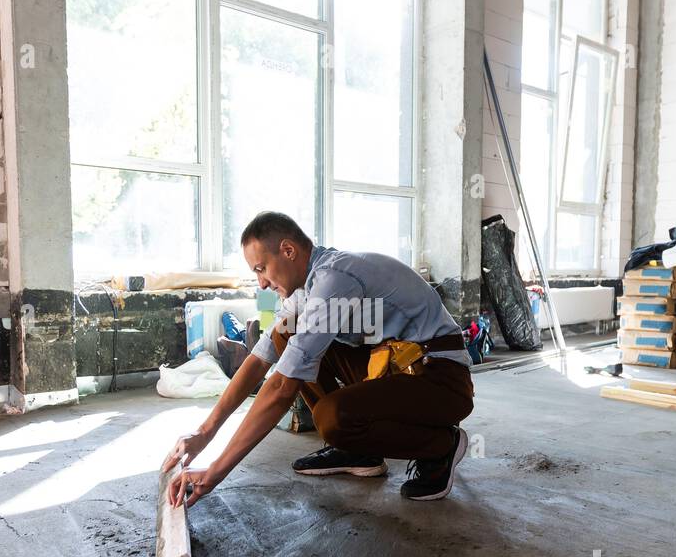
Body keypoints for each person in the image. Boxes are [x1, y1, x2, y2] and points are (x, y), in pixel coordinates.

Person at [162, 211, 475, 507]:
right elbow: (260, 358)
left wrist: (215, 472)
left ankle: (441, 446)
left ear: (288, 250)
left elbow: (283, 386)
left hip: (439, 379)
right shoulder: (303, 290)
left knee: (332, 417)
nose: (261, 283)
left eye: (260, 268)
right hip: (392, 367)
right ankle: (358, 451)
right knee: (285, 335)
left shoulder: (335, 279)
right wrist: (203, 433)